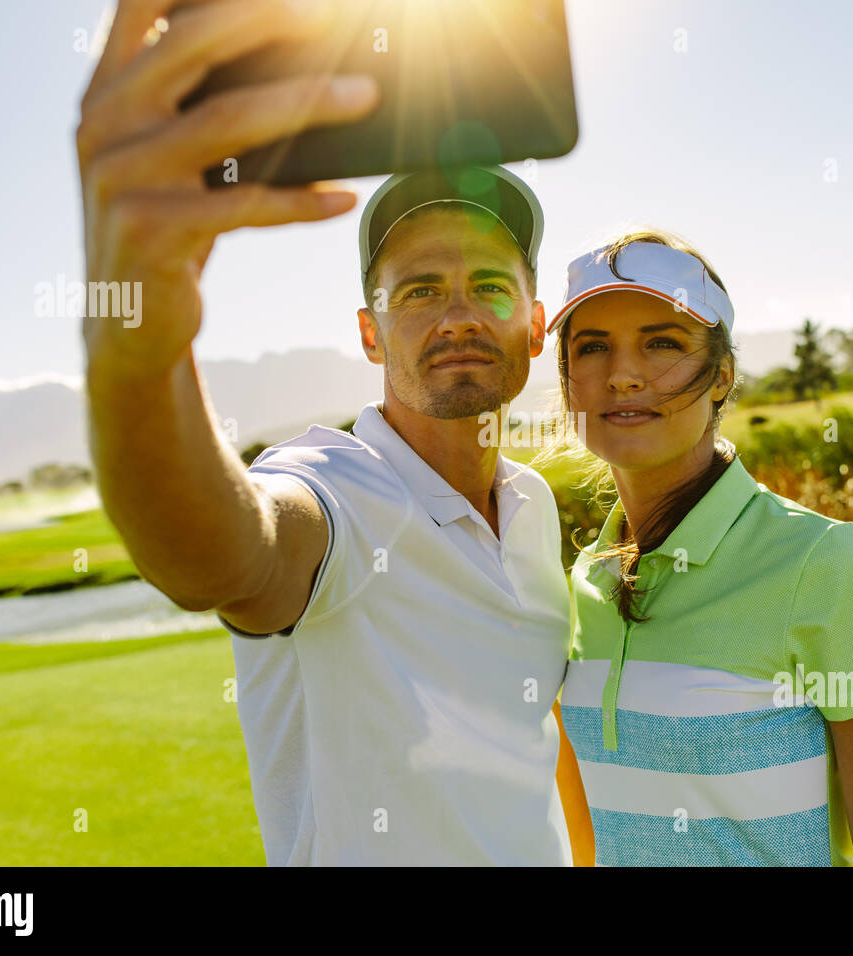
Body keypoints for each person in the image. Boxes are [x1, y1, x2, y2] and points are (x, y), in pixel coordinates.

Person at [75, 1, 592, 865]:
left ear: (536, 323)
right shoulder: (339, 490)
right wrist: (136, 344)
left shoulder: (532, 505)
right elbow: (224, 554)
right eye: (420, 290)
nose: (459, 314)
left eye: (490, 287)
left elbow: (537, 726)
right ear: (369, 333)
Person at [543, 229, 853, 866]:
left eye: (661, 343)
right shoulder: (586, 580)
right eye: (592, 348)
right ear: (567, 382)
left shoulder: (827, 563)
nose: (622, 375)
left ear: (722, 374)